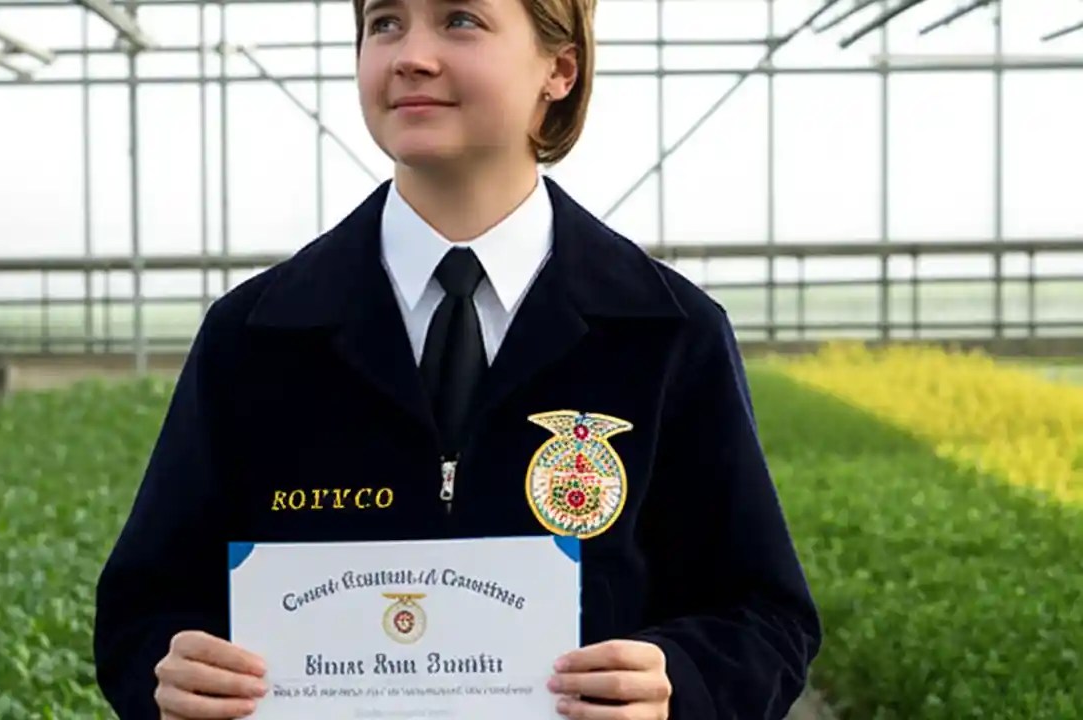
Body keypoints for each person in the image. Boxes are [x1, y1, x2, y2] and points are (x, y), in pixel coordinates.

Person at [93, 0, 822, 715]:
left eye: (460, 20)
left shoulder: (666, 333)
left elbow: (765, 616)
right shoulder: (254, 338)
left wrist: (679, 686)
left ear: (559, 69)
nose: (409, 53)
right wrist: (170, 670)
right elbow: (141, 608)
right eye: (384, 23)